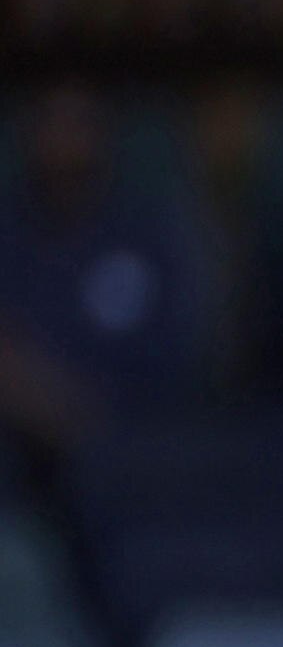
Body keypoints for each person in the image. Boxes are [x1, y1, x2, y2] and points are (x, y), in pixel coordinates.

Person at [0, 82, 206, 452]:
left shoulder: (147, 235)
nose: (64, 145)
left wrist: (62, 408)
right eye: (51, 124)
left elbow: (174, 365)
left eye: (79, 125)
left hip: (134, 447)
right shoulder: (10, 232)